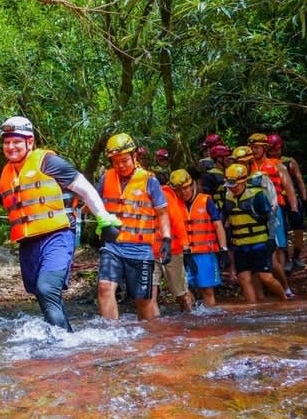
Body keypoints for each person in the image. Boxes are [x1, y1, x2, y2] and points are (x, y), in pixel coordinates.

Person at [0, 116, 116, 332]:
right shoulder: (6, 174)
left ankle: (61, 347)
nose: (10, 147)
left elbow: (85, 188)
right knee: (43, 296)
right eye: (6, 142)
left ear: (29, 142)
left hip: (58, 236)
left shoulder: (49, 162)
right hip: (28, 243)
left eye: (16, 141)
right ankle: (68, 340)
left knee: (47, 288)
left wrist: (104, 218)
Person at [97, 133, 171, 321]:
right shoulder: (106, 178)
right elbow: (92, 203)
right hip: (112, 245)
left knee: (143, 300)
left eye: (124, 160)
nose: (120, 165)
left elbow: (162, 213)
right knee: (105, 287)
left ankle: (147, 342)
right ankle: (111, 336)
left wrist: (167, 239)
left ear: (134, 157)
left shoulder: (149, 180)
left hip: (140, 249)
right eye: (115, 161)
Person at [231, 144, 293, 299]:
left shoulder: (260, 177)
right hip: (245, 232)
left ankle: (286, 288)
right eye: (238, 161)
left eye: (243, 161)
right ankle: (260, 299)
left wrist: (269, 231)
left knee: (272, 263)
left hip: (264, 226)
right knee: (252, 271)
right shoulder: (232, 181)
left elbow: (273, 203)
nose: (241, 164)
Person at [222, 163, 286, 303]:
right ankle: (253, 310)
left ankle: (284, 299)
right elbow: (226, 223)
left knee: (266, 277)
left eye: (235, 185)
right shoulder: (227, 197)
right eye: (229, 185)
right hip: (240, 245)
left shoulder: (257, 195)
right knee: (244, 278)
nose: (232, 188)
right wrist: (226, 247)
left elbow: (271, 218)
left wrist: (271, 239)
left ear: (243, 181)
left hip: (259, 243)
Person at [170, 169, 228, 308]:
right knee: (182, 292)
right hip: (182, 254)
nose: (183, 192)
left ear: (192, 185)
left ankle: (210, 320)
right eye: (178, 190)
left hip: (204, 253)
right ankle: (190, 319)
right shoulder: (173, 203)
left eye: (185, 188)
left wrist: (223, 249)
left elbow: (218, 225)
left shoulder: (205, 200)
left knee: (207, 290)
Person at [248, 134, 301, 285]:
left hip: (274, 208)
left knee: (278, 244)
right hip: (254, 211)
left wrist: (294, 207)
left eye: (257, 147)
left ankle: (281, 275)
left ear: (265, 148)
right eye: (252, 148)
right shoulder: (247, 166)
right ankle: (265, 276)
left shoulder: (277, 165)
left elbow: (289, 187)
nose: (254, 150)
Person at [151, 176, 194, 312]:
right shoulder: (140, 197)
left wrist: (186, 248)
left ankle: (190, 319)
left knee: (181, 293)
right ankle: (155, 327)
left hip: (173, 251)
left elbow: (178, 223)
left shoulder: (166, 197)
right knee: (150, 294)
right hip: (150, 253)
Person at [268, 133, 307, 270]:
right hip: (277, 200)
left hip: (291, 198)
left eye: (277, 149)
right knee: (282, 229)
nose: (275, 152)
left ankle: (296, 256)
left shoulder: (289, 161)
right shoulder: (267, 164)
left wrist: (304, 199)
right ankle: (285, 259)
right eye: (272, 150)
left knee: (298, 228)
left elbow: (299, 180)